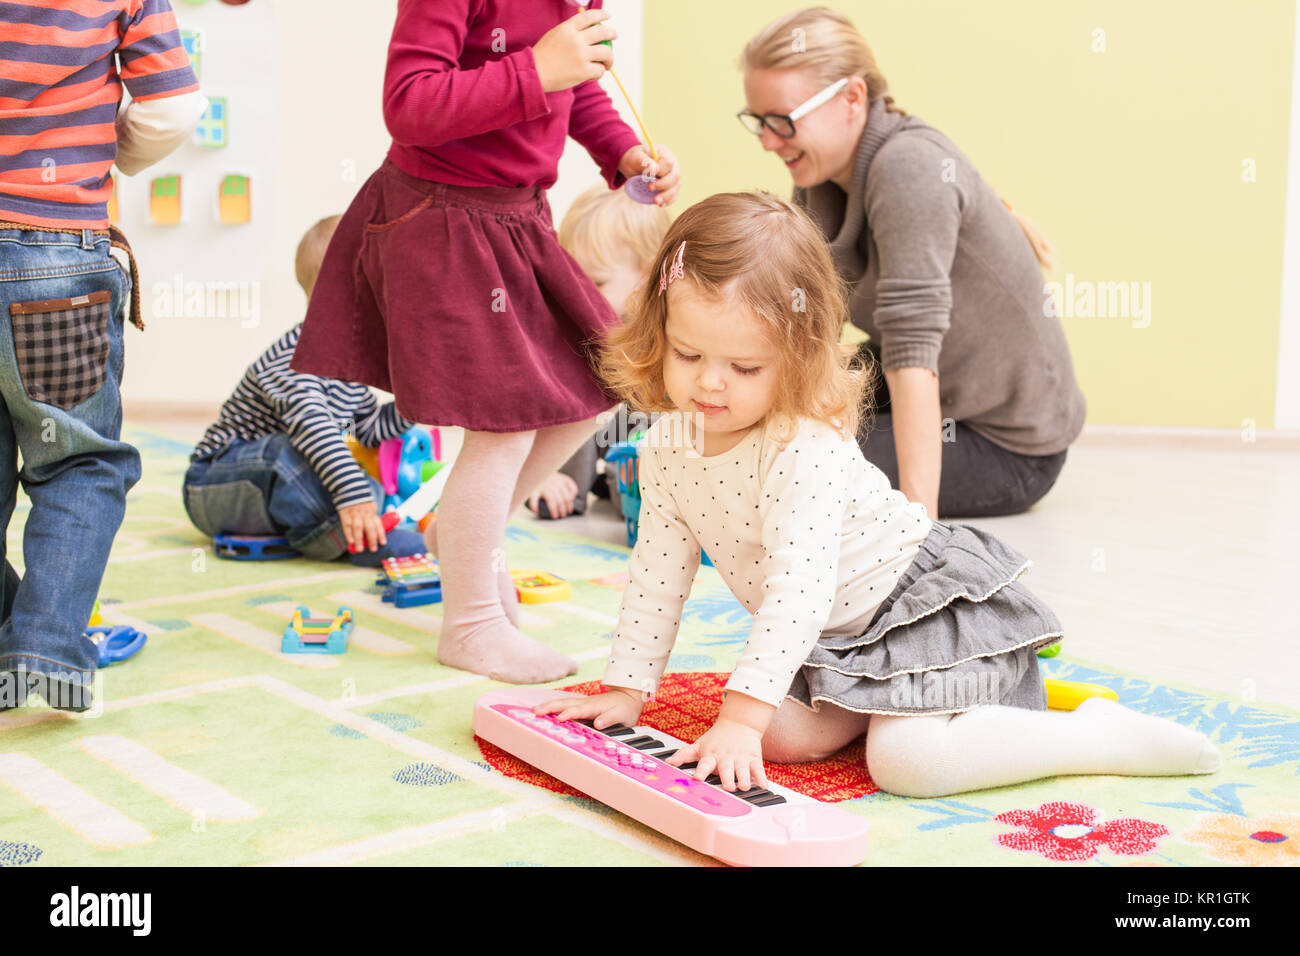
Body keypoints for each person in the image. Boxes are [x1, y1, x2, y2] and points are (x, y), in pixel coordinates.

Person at [536, 193, 1219, 798]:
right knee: (773, 739)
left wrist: (740, 718)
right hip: (834, 643)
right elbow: (656, 580)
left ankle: (1095, 735)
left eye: (744, 367)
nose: (709, 385)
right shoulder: (664, 452)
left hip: (919, 612)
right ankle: (891, 705)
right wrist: (626, 691)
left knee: (906, 765)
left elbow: (796, 593)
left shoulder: (801, 449)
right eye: (688, 355)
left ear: (798, 355)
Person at [291, 1, 681, 683]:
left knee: (590, 391)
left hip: (516, 217)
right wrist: (536, 68)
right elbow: (410, 103)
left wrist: (625, 154)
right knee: (501, 426)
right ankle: (469, 624)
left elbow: (576, 83)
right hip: (440, 215)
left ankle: (459, 535)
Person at [738, 7, 1086, 519]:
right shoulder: (819, 174)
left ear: (852, 98)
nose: (769, 141)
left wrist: (915, 529)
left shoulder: (908, 169)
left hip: (1004, 446)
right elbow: (811, 324)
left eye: (783, 121)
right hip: (935, 384)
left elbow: (912, 354)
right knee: (754, 428)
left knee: (784, 462)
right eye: (758, 122)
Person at [0, 0, 205, 712]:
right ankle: (47, 648)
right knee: (78, 460)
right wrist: (111, 149)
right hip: (54, 254)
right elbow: (174, 108)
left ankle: (12, 635)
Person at [182, 217, 429, 568]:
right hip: (215, 485)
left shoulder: (350, 366)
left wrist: (418, 400)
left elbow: (370, 429)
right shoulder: (294, 357)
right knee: (304, 458)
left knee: (358, 482)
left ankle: (334, 530)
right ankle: (357, 537)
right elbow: (315, 430)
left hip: (276, 493)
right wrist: (353, 496)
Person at [525, 183, 670, 520]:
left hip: (659, 452)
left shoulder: (676, 327)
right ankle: (561, 485)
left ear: (647, 275)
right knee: (578, 397)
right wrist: (544, 474)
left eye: (597, 283)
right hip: (612, 436)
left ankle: (621, 487)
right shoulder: (585, 325)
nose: (580, 296)